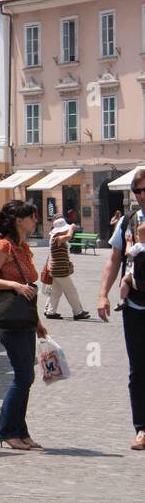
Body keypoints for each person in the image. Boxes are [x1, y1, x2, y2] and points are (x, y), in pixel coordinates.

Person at [0, 200, 47, 451]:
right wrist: (14, 285)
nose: (35, 221)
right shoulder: (4, 246)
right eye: (32, 217)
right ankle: (8, 431)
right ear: (19, 220)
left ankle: (21, 431)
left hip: (25, 318)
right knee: (22, 376)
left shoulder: (23, 248)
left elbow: (30, 288)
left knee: (27, 376)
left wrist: (38, 322)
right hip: (9, 319)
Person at [98, 167, 145, 450]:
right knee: (138, 369)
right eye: (136, 191)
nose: (140, 196)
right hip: (136, 305)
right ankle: (142, 428)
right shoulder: (128, 221)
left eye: (143, 190)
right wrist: (102, 294)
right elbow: (114, 260)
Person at [43, 218, 88, 320]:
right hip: (60, 269)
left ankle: (50, 312)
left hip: (58, 269)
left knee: (56, 292)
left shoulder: (56, 237)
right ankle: (78, 312)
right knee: (71, 290)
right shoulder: (57, 238)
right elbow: (68, 236)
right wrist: (71, 228)